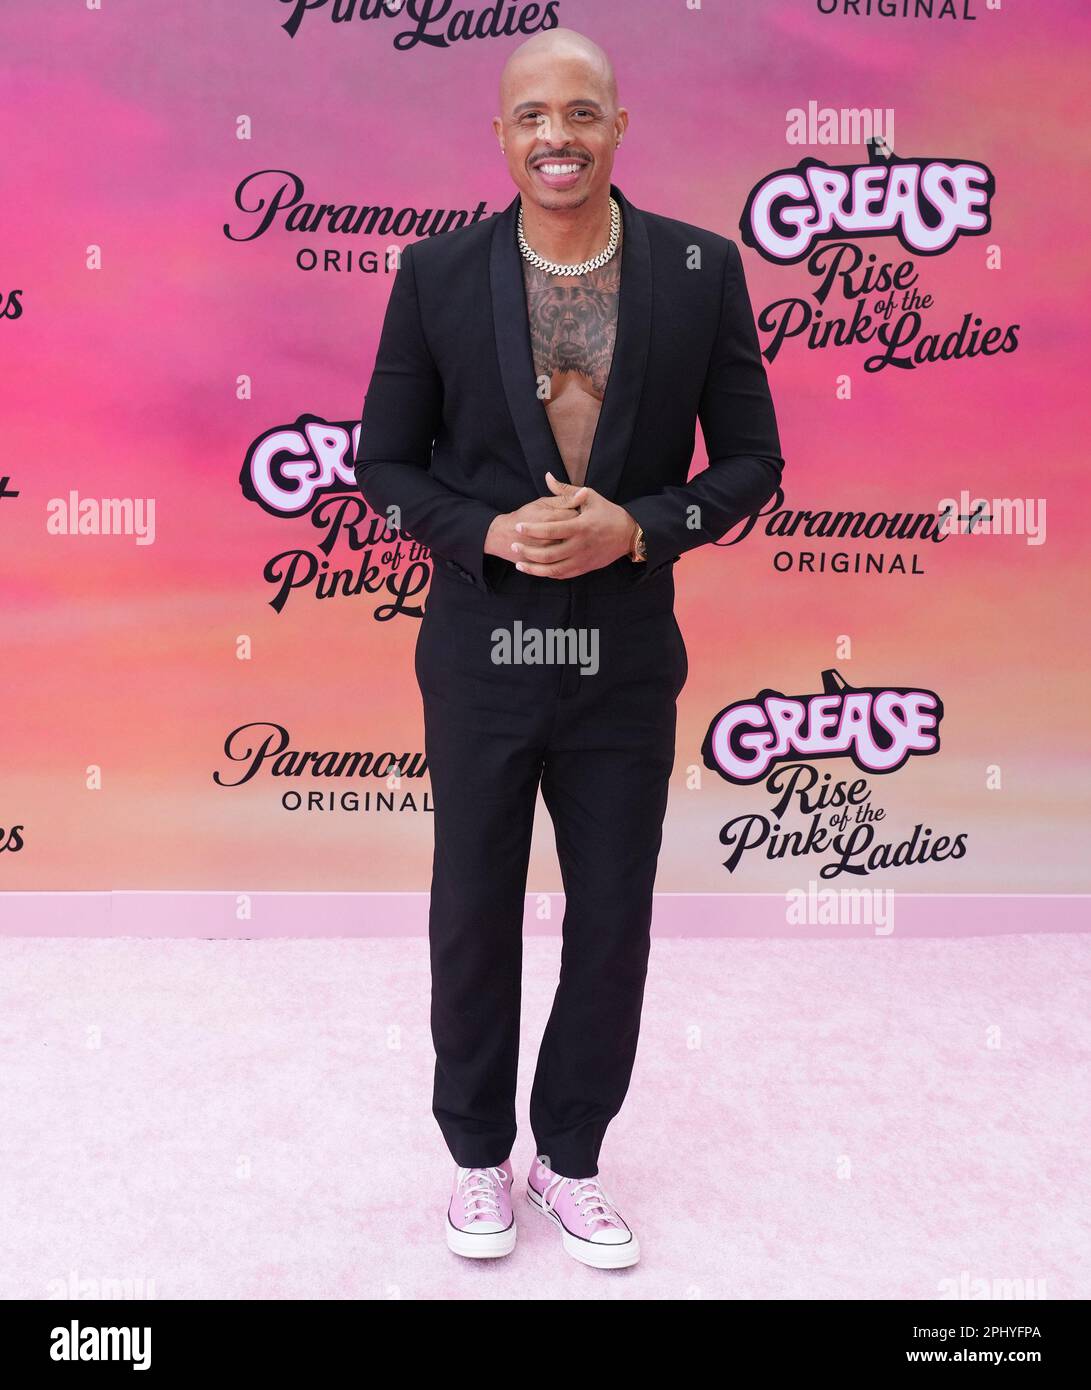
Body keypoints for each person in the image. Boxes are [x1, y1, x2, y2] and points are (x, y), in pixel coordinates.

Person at [354, 27, 784, 1270]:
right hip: (480, 656)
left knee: (610, 915)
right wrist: (487, 530)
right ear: (500, 134)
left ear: (618, 126)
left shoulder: (700, 268)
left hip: (624, 663)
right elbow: (380, 463)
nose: (558, 134)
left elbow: (752, 463)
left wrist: (640, 530)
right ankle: (477, 1158)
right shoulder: (436, 273)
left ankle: (572, 1157)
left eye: (582, 111)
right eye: (533, 114)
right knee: (473, 909)